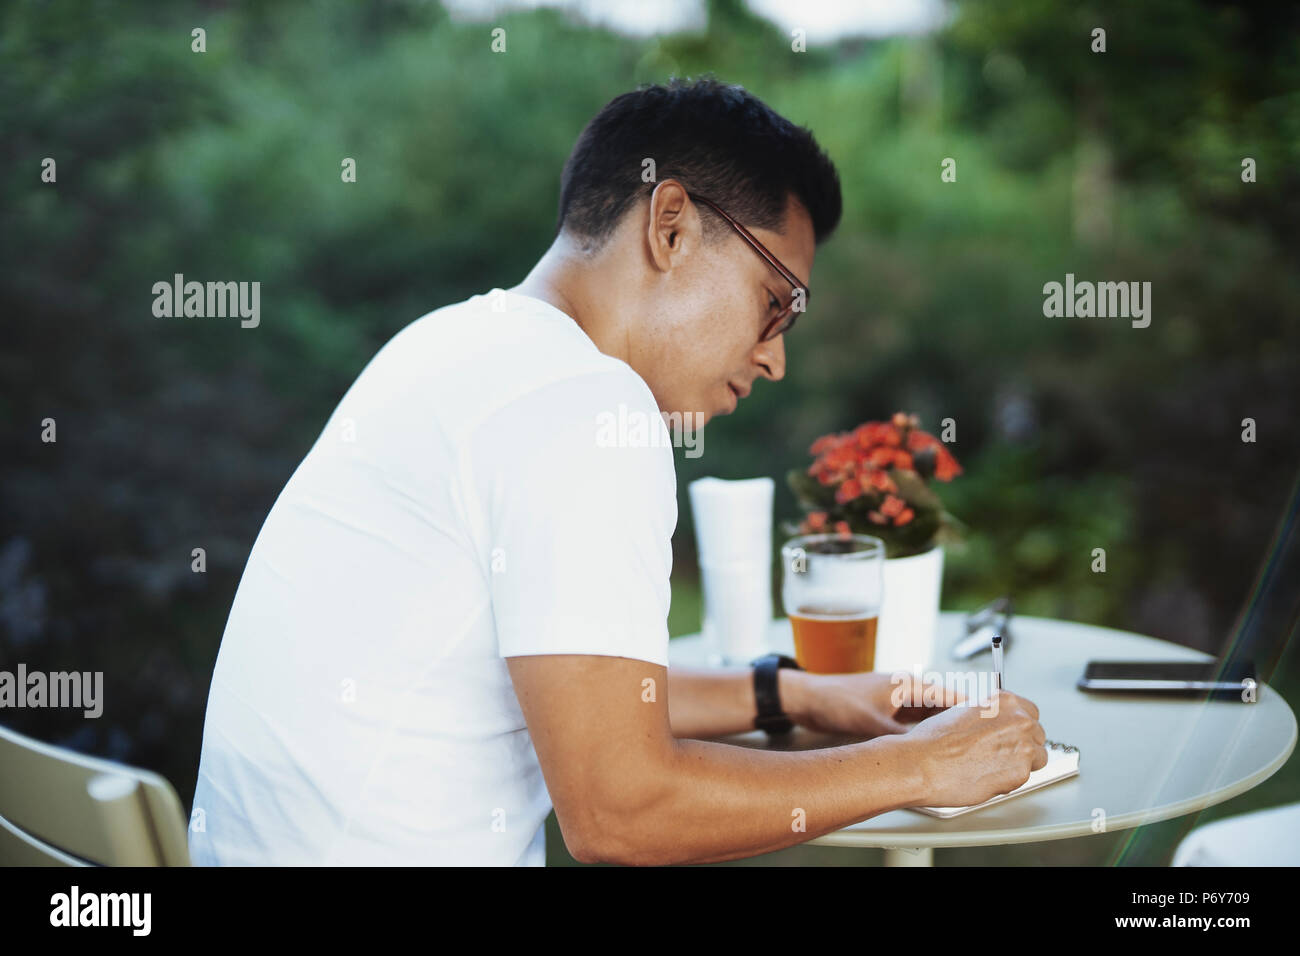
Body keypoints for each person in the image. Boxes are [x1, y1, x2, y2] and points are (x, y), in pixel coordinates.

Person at [189, 76, 1046, 866]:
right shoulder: (585, 408)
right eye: (778, 301)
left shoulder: (453, 345)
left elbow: (579, 694)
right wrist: (918, 769)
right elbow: (620, 813)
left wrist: (794, 696)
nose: (777, 357)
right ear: (670, 223)